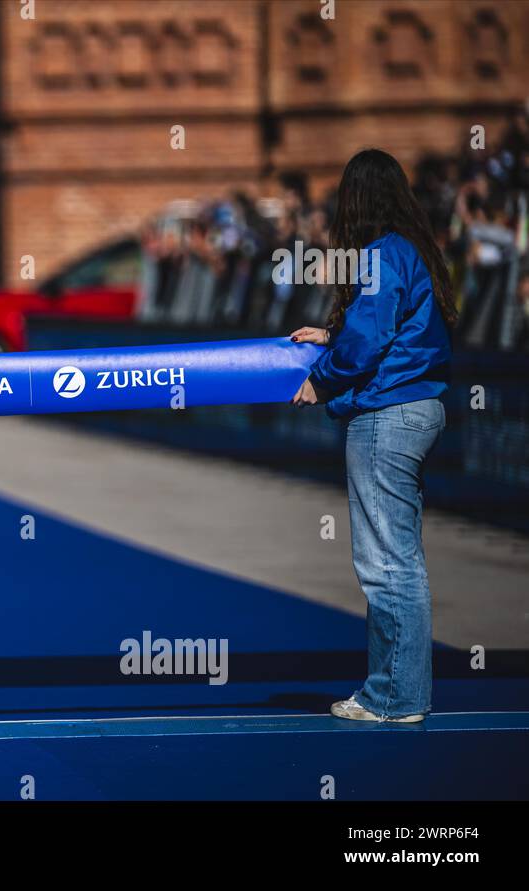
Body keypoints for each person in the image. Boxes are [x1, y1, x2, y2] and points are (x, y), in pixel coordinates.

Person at [289, 148, 458, 723]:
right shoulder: (412, 251)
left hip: (388, 416)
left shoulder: (382, 254)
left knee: (386, 561)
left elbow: (369, 342)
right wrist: (333, 331)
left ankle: (396, 696)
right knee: (399, 556)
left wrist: (321, 377)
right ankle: (396, 688)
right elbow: (384, 324)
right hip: (419, 409)